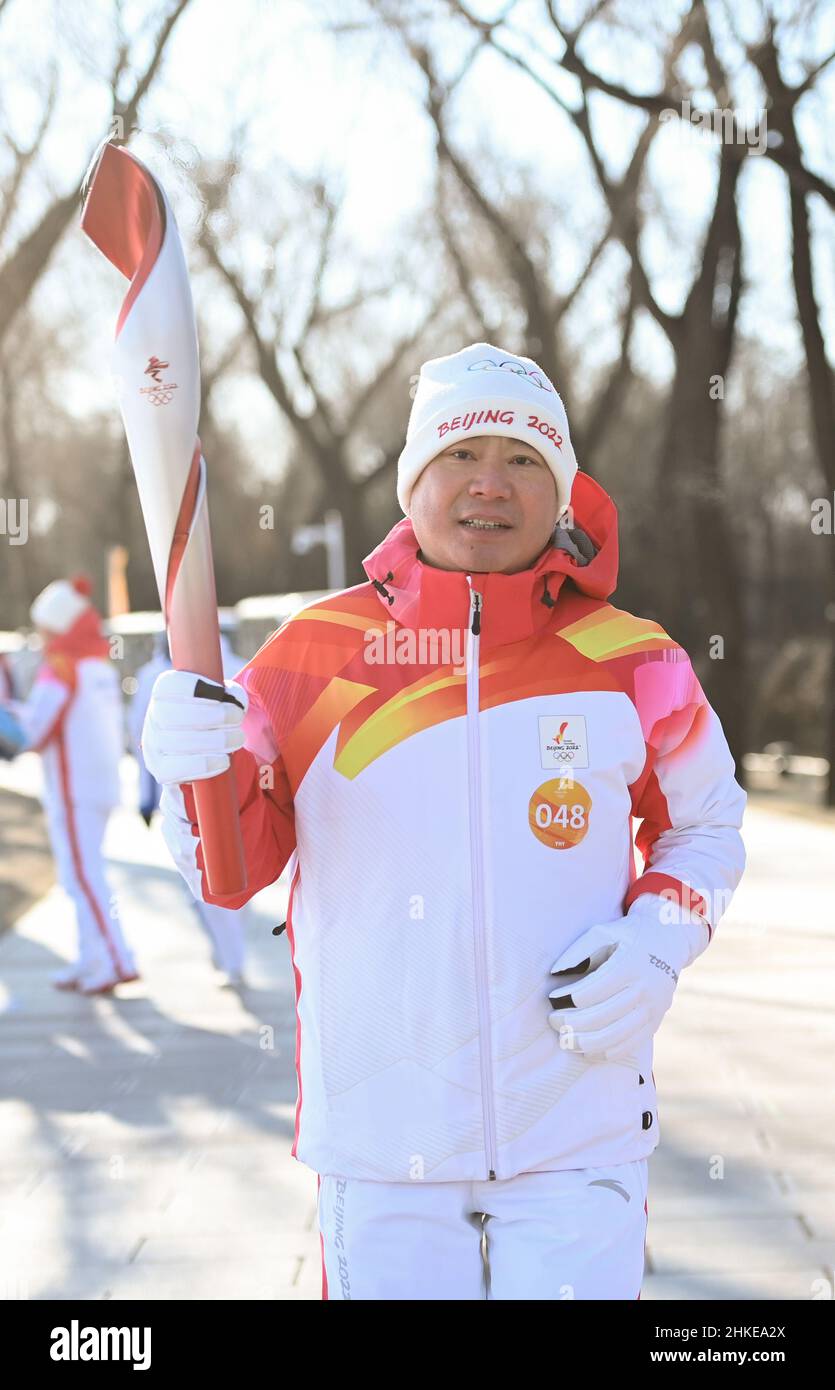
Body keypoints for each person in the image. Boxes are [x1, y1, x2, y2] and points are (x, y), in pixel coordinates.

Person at [141, 342, 746, 1300]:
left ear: (559, 491)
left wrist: (656, 944)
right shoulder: (310, 656)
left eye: (521, 461)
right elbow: (229, 869)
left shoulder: (636, 659)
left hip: (576, 1134)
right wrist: (188, 774)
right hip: (383, 1144)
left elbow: (708, 828)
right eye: (460, 457)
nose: (489, 487)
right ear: (412, 481)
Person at [2, 575, 139, 993]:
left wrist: (7, 714)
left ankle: (116, 960)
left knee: (83, 875)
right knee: (79, 874)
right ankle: (90, 958)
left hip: (72, 789)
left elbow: (38, 729)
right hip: (95, 785)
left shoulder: (61, 667)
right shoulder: (96, 663)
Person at [129, 625, 249, 987]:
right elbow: (146, 741)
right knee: (218, 881)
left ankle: (232, 957)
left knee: (211, 882)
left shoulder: (242, 668)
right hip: (208, 795)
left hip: (216, 795)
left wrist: (147, 798)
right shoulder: (155, 678)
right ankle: (230, 953)